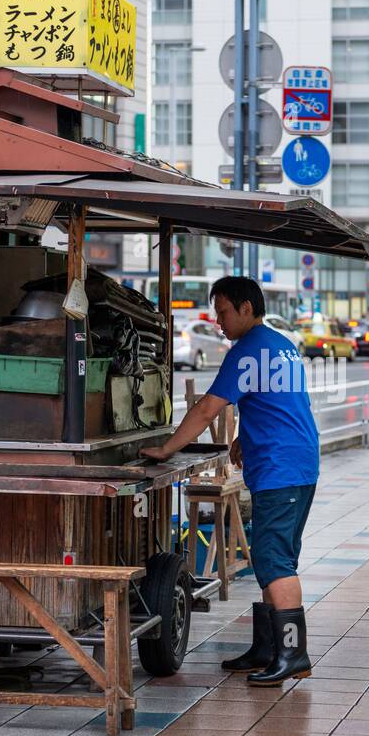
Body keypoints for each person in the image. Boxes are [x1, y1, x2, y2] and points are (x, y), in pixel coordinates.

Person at [141, 276, 317, 687]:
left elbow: (205, 410)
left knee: (275, 562)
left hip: (282, 470)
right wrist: (245, 436)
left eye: (222, 311)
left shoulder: (246, 352)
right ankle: (266, 648)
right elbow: (283, 402)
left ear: (245, 308)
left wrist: (167, 450)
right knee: (270, 558)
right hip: (296, 464)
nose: (217, 320)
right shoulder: (281, 345)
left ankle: (293, 653)